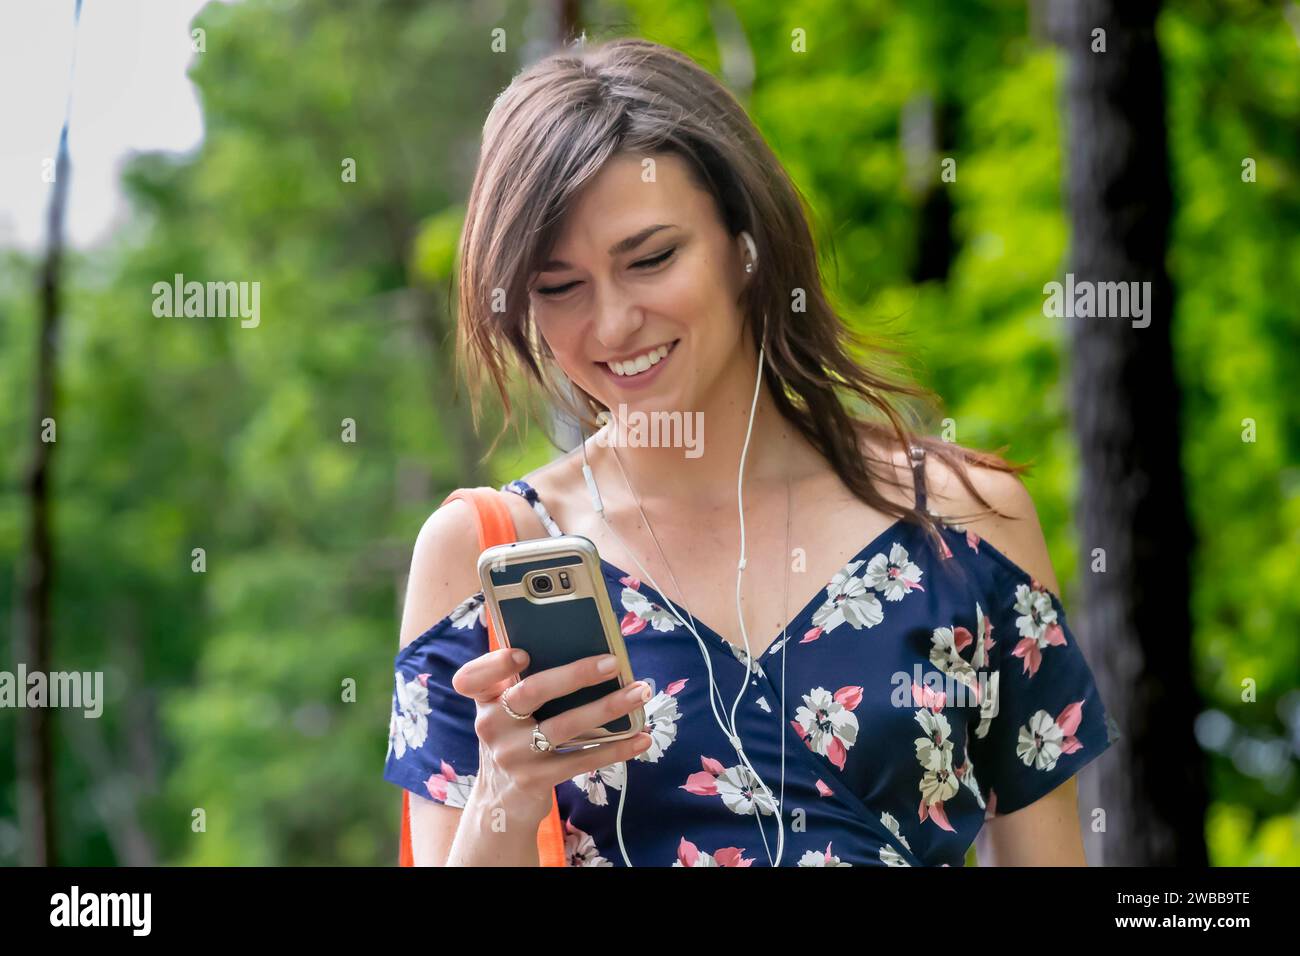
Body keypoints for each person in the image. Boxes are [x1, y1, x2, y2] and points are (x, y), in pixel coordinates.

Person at [384, 37, 1115, 866]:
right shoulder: (485, 555)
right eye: (560, 287)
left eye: (652, 259)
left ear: (745, 243)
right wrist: (506, 799)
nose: (614, 323)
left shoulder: (964, 525)